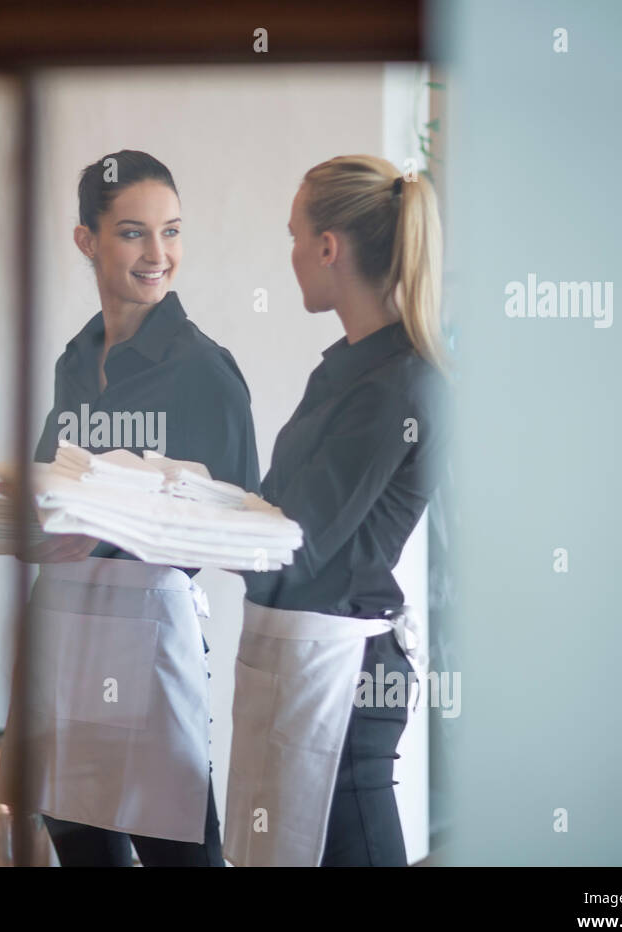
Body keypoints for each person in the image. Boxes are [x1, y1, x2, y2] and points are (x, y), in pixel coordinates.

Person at [0, 149, 260, 866]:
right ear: (87, 239)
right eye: (134, 232)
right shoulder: (75, 361)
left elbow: (241, 524)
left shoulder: (205, 370)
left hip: (147, 640)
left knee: (181, 853)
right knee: (79, 846)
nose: (158, 253)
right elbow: (59, 488)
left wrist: (120, 535)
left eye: (171, 231)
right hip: (62, 635)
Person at [224, 156, 453, 867]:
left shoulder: (397, 389)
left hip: (348, 679)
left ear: (329, 247)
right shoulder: (347, 368)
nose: (292, 253)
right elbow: (275, 506)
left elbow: (293, 536)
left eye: (295, 236)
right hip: (304, 658)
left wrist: (156, 519)